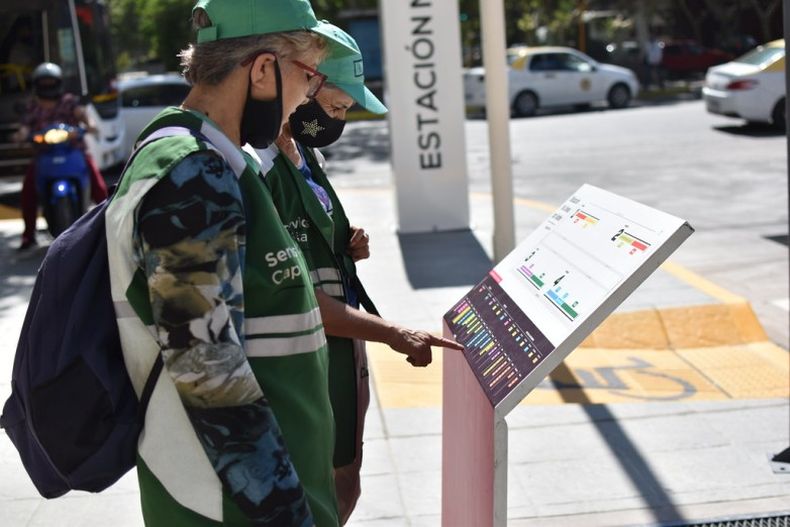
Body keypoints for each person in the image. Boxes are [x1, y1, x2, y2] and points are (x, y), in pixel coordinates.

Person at [104, 1, 358, 525]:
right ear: (263, 70)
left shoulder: (215, 159)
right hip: (231, 507)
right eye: (308, 79)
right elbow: (205, 365)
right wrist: (287, 512)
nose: (305, 100)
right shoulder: (192, 173)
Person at [254, 26, 463, 524]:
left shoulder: (307, 157)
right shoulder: (258, 168)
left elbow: (312, 238)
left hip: (341, 350)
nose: (338, 119)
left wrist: (346, 244)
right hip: (309, 355)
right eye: (335, 105)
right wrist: (392, 332)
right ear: (304, 86)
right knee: (320, 489)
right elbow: (292, 296)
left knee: (343, 478)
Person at [14, 62, 108, 250]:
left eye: (51, 82)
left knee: (99, 187)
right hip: (44, 156)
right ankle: (28, 235)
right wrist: (22, 135)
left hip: (73, 152)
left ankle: (110, 225)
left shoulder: (68, 101)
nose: (48, 86)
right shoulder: (33, 106)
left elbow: (83, 115)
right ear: (37, 85)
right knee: (27, 192)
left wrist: (90, 124)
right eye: (44, 82)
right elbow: (24, 127)